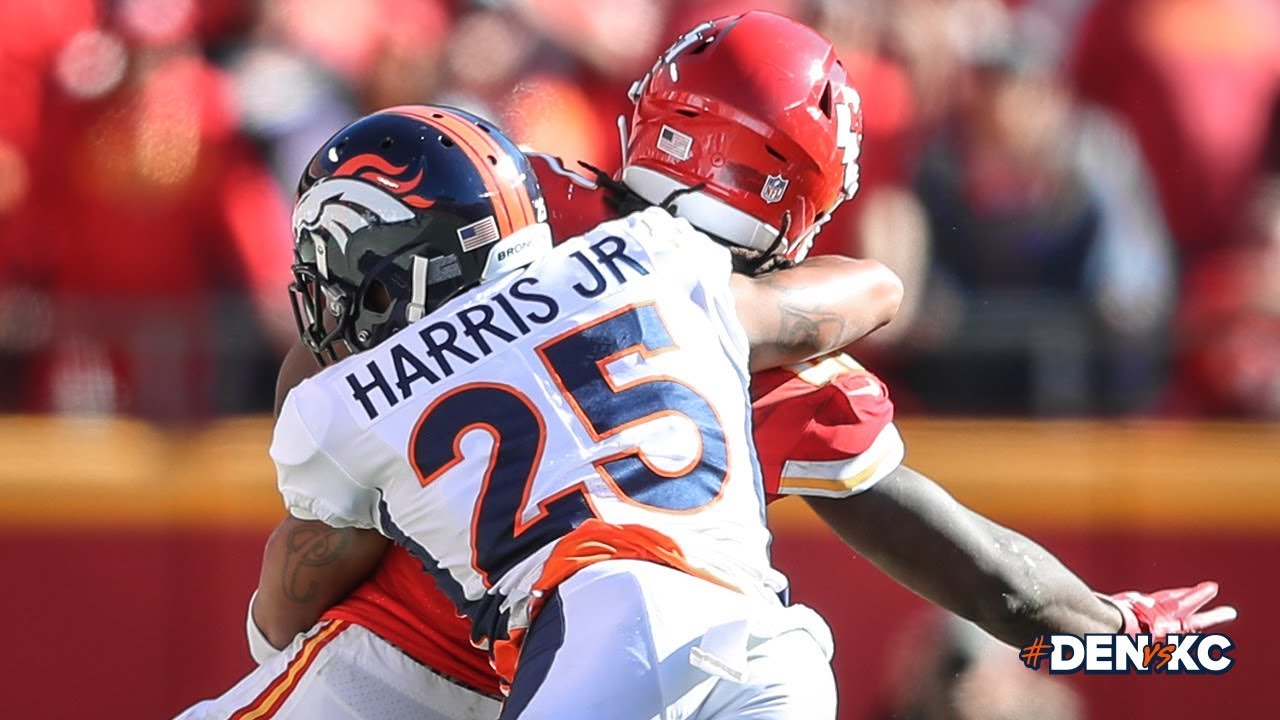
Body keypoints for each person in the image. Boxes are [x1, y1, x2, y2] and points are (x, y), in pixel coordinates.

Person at [184, 12, 1235, 720]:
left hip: (430, 644)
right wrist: (1120, 638)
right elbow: (989, 575)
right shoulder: (731, 316)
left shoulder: (511, 193)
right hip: (663, 643)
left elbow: (329, 382)